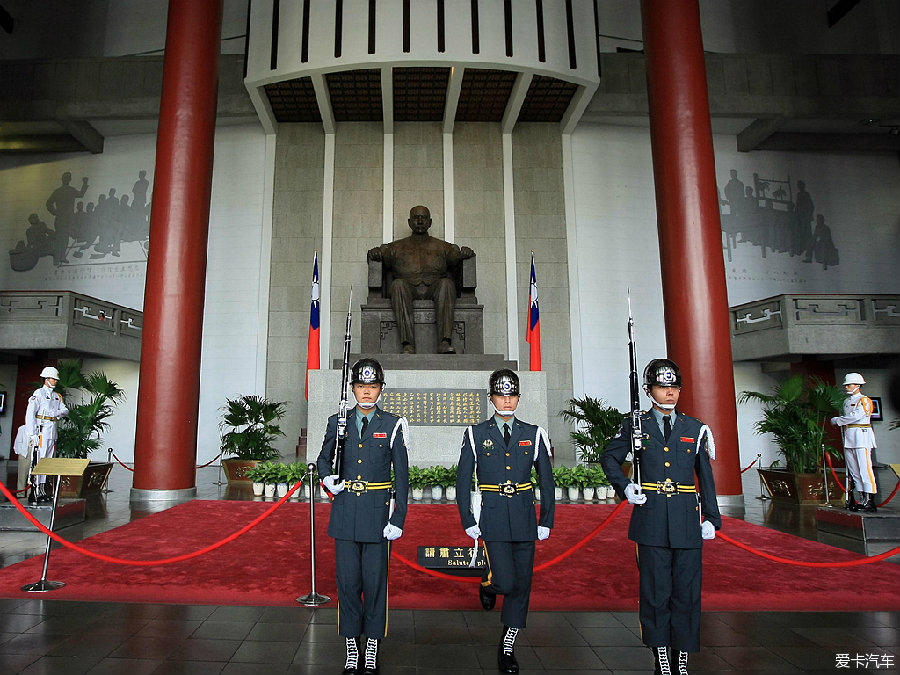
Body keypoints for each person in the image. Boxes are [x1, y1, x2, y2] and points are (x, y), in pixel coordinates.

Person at [601, 359, 721, 675]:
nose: (669, 393)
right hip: (651, 518)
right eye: (662, 387)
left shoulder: (695, 428)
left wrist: (711, 516)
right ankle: (662, 656)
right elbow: (609, 459)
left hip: (685, 519)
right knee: (656, 593)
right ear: (649, 390)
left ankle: (681, 655)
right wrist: (626, 487)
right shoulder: (634, 425)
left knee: (687, 593)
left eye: (674, 387)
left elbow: (704, 476)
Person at [456, 369, 555, 674]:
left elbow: (547, 482)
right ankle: (488, 583)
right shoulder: (476, 434)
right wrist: (468, 518)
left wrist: (546, 519)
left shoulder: (534, 433)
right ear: (491, 398)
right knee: (506, 581)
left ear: (519, 398)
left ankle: (508, 642)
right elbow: (463, 481)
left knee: (522, 584)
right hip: (494, 516)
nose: (507, 400)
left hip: (524, 515)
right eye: (501, 395)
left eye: (512, 395)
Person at [317, 358, 410, 675]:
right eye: (360, 386)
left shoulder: (393, 425)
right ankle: (351, 646)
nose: (366, 392)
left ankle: (372, 643)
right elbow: (323, 458)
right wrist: (328, 479)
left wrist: (397, 519)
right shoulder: (336, 422)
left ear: (381, 389)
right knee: (347, 583)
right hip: (344, 513)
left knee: (374, 583)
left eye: (372, 387)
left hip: (377, 515)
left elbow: (403, 478)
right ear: (352, 388)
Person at [367, 205, 474, 354]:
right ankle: (407, 344)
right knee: (397, 285)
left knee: (446, 284)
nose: (419, 221)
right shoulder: (395, 247)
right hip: (407, 289)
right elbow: (380, 255)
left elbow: (456, 258)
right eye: (416, 218)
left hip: (434, 289)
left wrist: (466, 253)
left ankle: (445, 342)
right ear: (409, 222)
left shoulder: (443, 246)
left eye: (423, 218)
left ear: (430, 222)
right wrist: (374, 253)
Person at [831, 373, 878, 512]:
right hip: (850, 437)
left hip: (862, 437)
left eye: (849, 384)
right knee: (854, 471)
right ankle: (862, 499)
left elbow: (855, 416)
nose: (846, 386)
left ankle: (870, 499)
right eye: (846, 384)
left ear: (858, 385)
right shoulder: (846, 401)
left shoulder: (864, 400)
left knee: (865, 469)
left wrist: (838, 420)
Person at [24, 366, 69, 505]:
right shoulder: (39, 394)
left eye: (56, 379)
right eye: (53, 379)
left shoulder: (57, 396)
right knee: (39, 461)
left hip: (51, 432)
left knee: (47, 462)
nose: (56, 381)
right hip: (41, 431)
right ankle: (35, 490)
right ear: (46, 379)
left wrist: (55, 413)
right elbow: (30, 414)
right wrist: (32, 434)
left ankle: (43, 490)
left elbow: (65, 410)